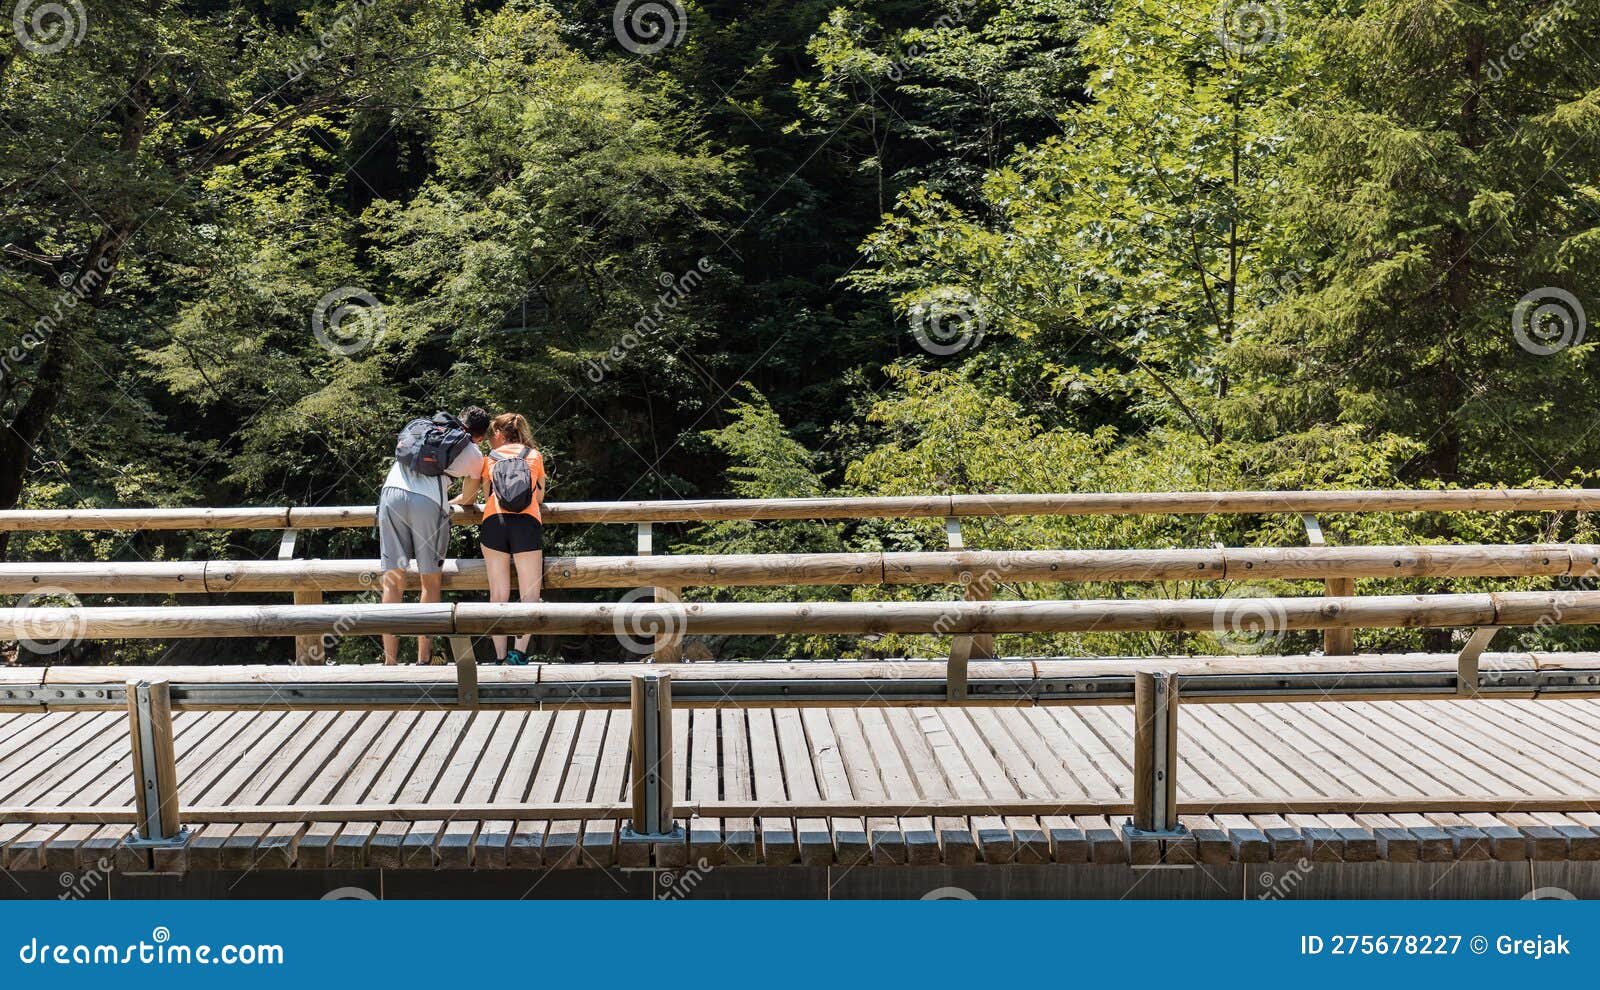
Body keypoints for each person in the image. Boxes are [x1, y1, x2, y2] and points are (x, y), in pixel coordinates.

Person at [378, 405, 490, 665]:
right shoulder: (473, 453)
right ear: (480, 435)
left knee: (393, 580)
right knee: (430, 582)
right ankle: (423, 658)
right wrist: (452, 499)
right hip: (428, 503)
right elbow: (470, 498)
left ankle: (389, 662)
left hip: (390, 494)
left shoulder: (426, 429)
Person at [454, 412, 546, 664]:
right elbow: (538, 499)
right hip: (526, 523)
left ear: (499, 433)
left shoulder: (489, 459)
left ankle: (500, 656)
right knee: (530, 594)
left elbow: (487, 495)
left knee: (498, 594)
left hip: (495, 522)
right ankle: (519, 653)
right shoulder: (534, 456)